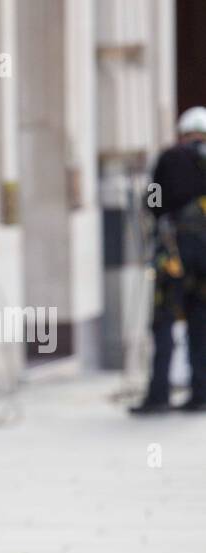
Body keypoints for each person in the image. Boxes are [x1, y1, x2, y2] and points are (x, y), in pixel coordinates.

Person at [129, 105, 206, 414]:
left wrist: (157, 210)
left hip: (175, 252)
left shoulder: (171, 157)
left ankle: (159, 394)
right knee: (200, 323)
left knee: (163, 321)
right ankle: (200, 392)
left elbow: (155, 201)